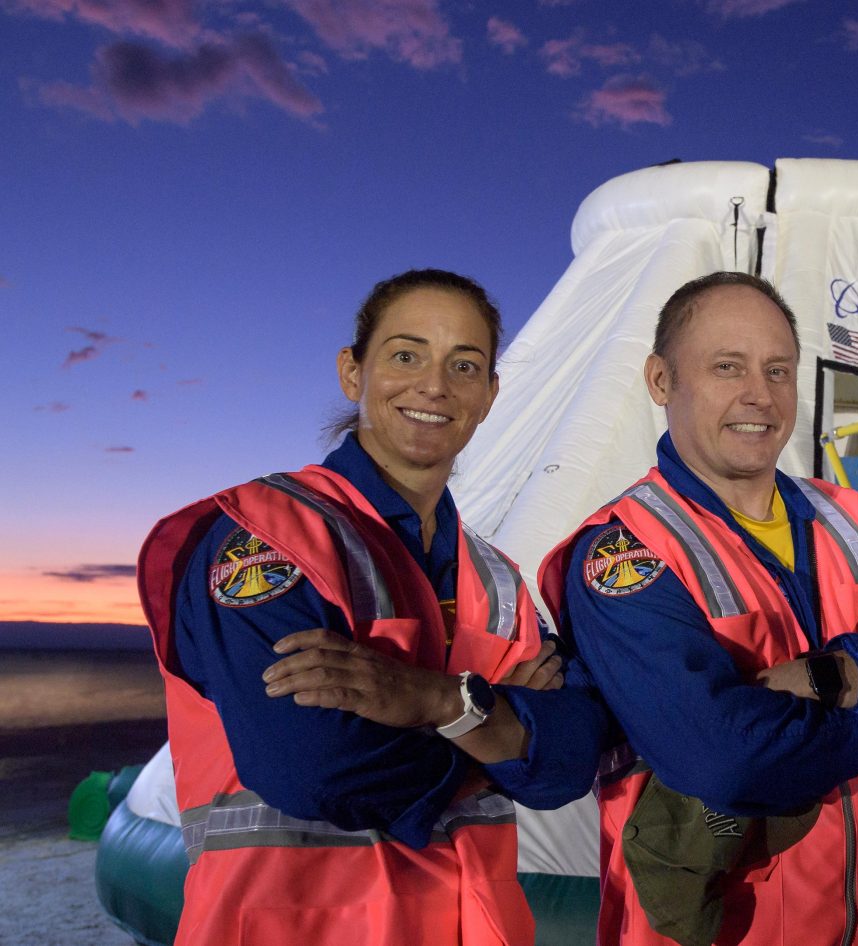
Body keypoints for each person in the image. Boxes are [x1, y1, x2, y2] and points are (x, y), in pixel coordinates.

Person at [139, 269, 605, 945]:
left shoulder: (495, 578)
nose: (435, 386)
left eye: (464, 365)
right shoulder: (264, 540)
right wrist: (497, 743)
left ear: (490, 395)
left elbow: (572, 759)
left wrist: (434, 702)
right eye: (406, 355)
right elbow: (315, 770)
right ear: (352, 372)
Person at [538, 271, 858, 946]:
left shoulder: (847, 522)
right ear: (661, 381)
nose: (759, 394)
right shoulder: (626, 552)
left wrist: (836, 677)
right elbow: (725, 757)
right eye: (727, 367)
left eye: (778, 370)